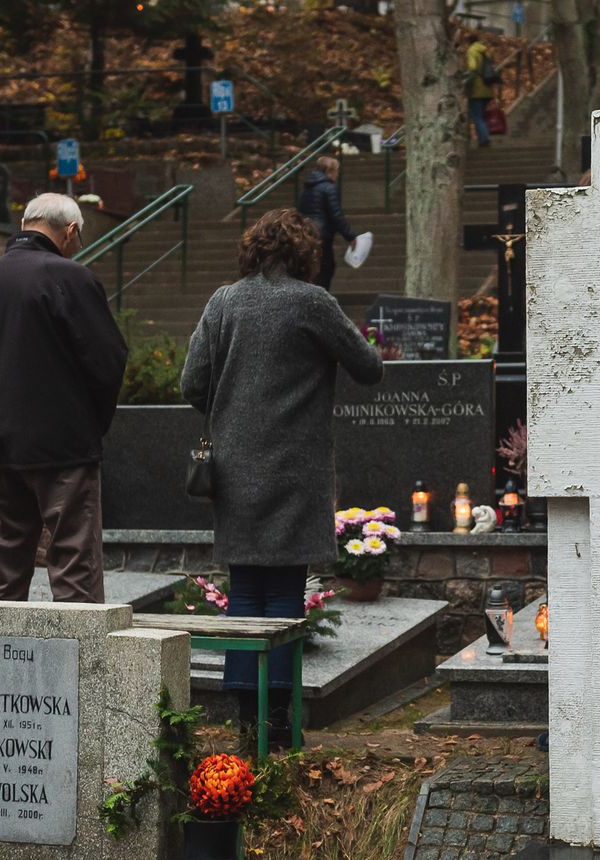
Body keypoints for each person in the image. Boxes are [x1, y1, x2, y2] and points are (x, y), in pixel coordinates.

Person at [180, 207, 383, 744]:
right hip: (296, 469)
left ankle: (247, 723)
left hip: (234, 469)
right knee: (286, 594)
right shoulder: (313, 303)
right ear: (304, 256)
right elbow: (368, 367)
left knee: (245, 591)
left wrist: (229, 407)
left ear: (252, 250)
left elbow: (190, 382)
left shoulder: (223, 301)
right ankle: (279, 726)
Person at [0, 192, 128, 603]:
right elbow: (107, 361)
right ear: (70, 232)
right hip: (64, 444)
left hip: (1, 444)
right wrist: (91, 423)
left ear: (25, 224)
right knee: (75, 567)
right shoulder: (71, 277)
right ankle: (81, 664)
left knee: (4, 564)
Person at [296, 156, 358, 290]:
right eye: (336, 171)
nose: (337, 174)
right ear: (330, 171)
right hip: (322, 235)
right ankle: (320, 302)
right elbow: (336, 215)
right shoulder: (329, 187)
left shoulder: (307, 187)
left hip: (307, 234)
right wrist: (350, 236)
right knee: (326, 268)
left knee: (312, 268)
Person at [466, 37, 495, 147]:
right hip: (487, 88)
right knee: (481, 116)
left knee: (477, 116)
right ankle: (482, 139)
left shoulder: (472, 51)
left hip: (476, 89)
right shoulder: (484, 51)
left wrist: (465, 80)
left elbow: (472, 68)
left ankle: (484, 140)